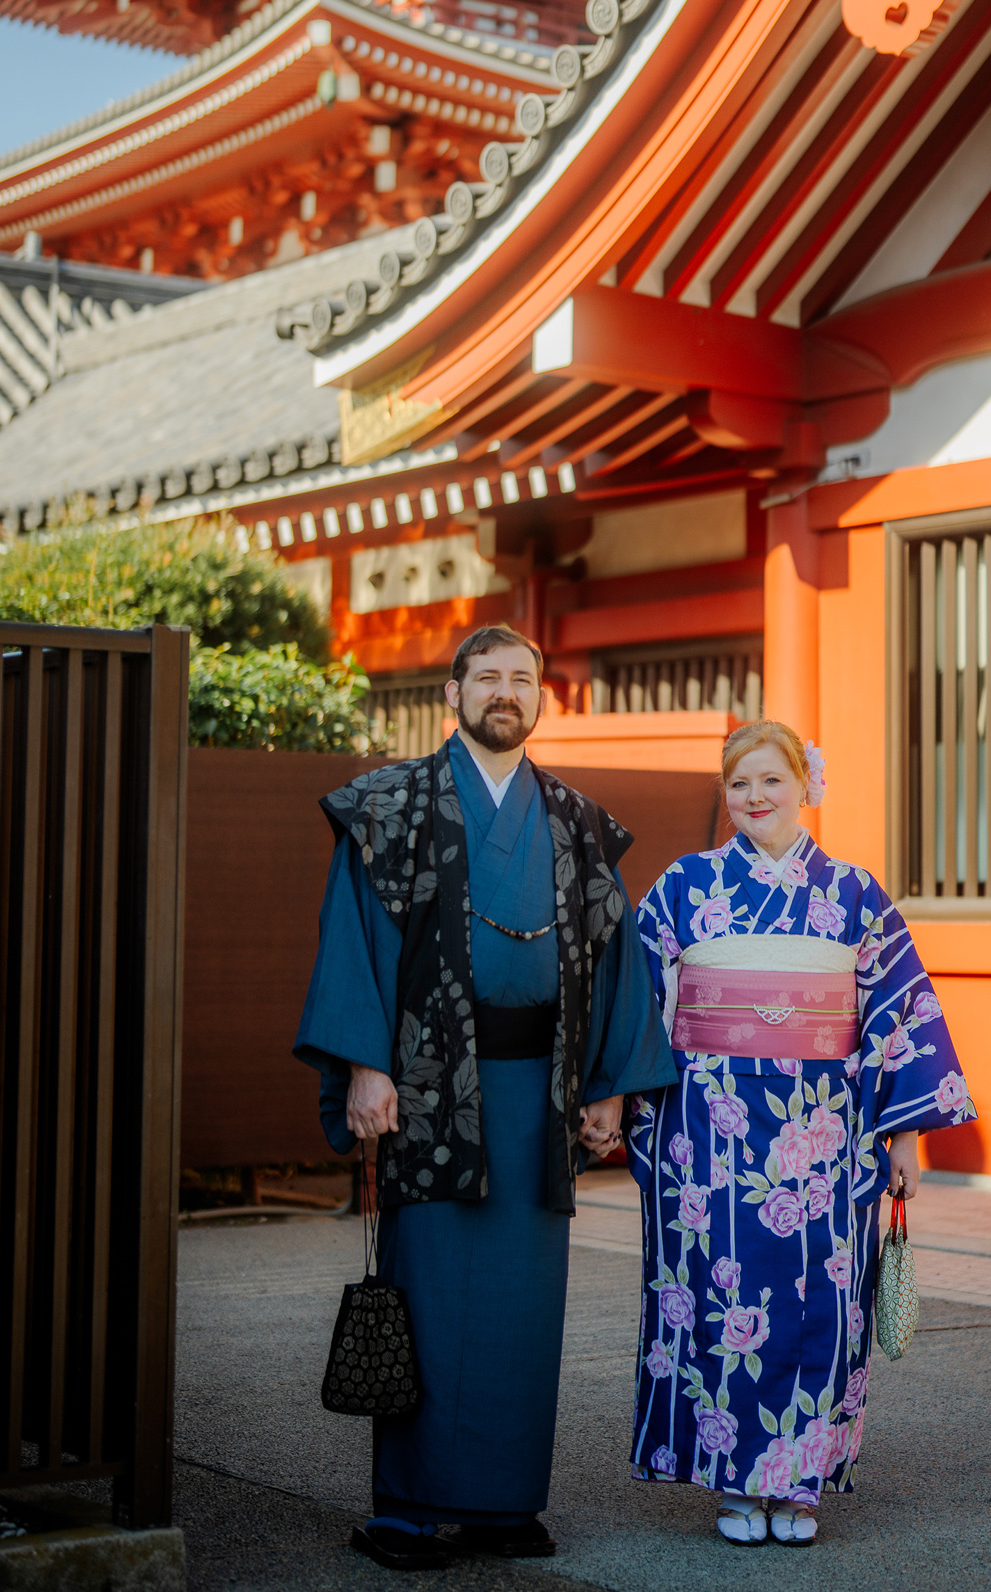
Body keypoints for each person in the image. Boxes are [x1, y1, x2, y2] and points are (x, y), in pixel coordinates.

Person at [294, 623, 677, 1569]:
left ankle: (504, 1505)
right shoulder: (390, 805)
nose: (506, 692)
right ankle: (410, 1507)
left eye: (522, 679)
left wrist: (608, 1087)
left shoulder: (576, 820)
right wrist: (365, 1065)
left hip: (537, 1093)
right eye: (488, 676)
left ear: (540, 698)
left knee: (522, 1302)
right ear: (454, 693)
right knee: (428, 1295)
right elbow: (352, 935)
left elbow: (614, 955)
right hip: (430, 1089)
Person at [627, 720, 976, 1548]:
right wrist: (623, 1101)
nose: (755, 797)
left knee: (819, 1300)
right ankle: (734, 1479)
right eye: (738, 784)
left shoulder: (854, 893)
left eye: (770, 780)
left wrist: (904, 1136)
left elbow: (898, 1009)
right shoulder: (684, 885)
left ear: (804, 785)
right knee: (720, 1295)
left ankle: (799, 1483)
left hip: (824, 1127)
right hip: (707, 1126)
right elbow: (634, 998)